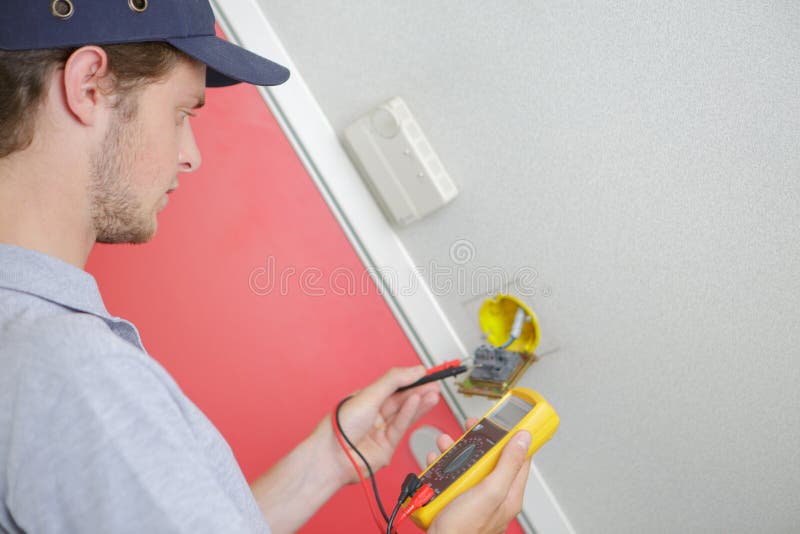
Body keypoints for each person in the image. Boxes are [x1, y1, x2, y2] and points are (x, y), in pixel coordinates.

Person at [0, 1, 533, 532]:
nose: (191, 155)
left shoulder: (33, 345)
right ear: (90, 85)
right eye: (182, 113)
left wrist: (326, 460)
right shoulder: (69, 367)